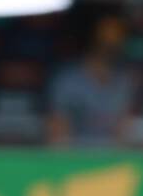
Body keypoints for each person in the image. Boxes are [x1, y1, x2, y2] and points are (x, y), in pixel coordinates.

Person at [47, 15, 136, 147]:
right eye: (105, 40)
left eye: (116, 39)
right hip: (73, 157)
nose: (111, 45)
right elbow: (57, 128)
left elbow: (125, 128)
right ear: (94, 40)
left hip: (112, 158)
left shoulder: (125, 80)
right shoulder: (67, 79)